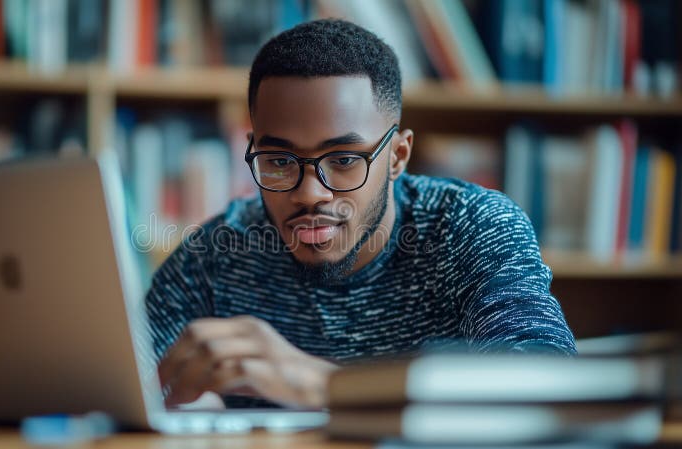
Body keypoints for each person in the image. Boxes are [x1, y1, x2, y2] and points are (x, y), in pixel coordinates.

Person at [145, 19, 576, 410]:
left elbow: (550, 385)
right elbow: (120, 381)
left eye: (344, 159)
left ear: (398, 156)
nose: (309, 194)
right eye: (278, 161)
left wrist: (326, 386)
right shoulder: (221, 252)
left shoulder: (471, 226)